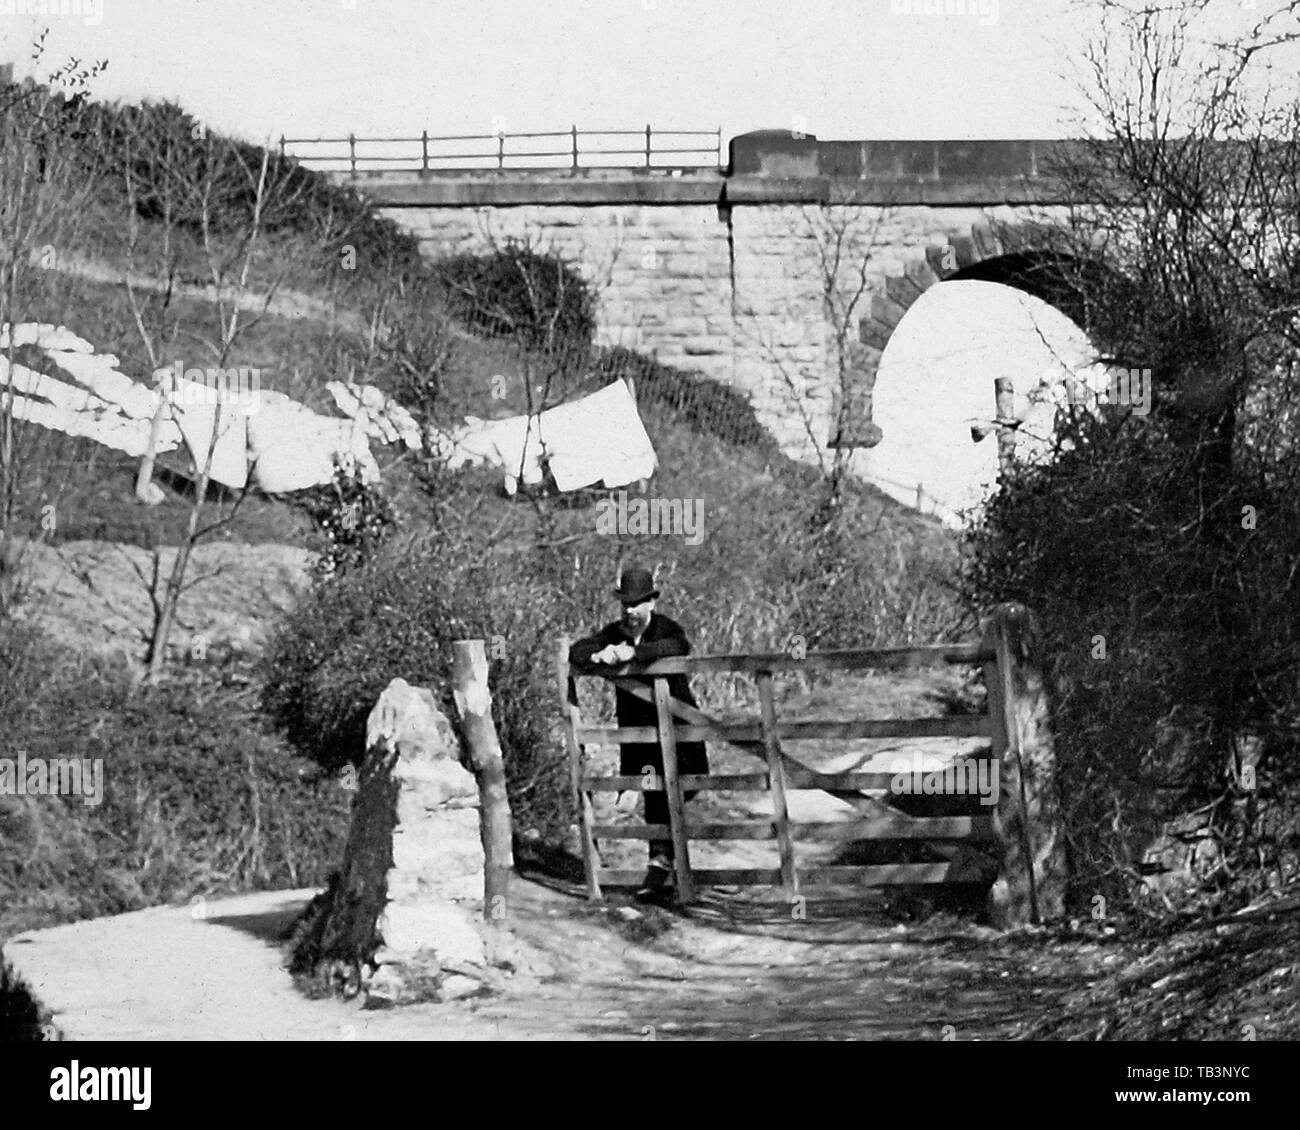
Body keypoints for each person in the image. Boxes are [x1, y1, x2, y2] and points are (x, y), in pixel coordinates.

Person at [568, 566, 708, 904]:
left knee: (683, 788)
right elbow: (576, 651)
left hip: (678, 729)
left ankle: (666, 868)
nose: (630, 612)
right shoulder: (614, 632)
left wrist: (633, 654)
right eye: (625, 605)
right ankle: (662, 871)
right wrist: (598, 655)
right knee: (655, 794)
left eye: (637, 604)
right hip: (640, 737)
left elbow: (678, 646)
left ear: (651, 603)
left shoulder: (665, 628)